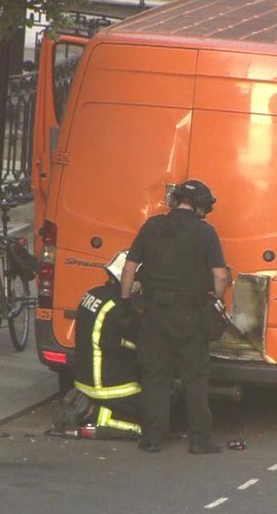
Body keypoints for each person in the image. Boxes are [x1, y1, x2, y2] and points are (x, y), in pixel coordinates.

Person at [121, 179, 231, 454]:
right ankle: (200, 440)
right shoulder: (205, 233)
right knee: (195, 377)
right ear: (200, 206)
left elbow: (130, 267)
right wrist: (216, 300)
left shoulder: (152, 227)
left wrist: (125, 301)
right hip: (189, 316)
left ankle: (152, 438)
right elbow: (219, 275)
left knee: (156, 375)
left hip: (155, 314)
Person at [58, 251, 142, 437]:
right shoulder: (121, 310)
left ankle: (84, 405)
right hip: (108, 388)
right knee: (151, 421)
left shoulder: (92, 294)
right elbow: (141, 343)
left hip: (82, 382)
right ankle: (93, 414)